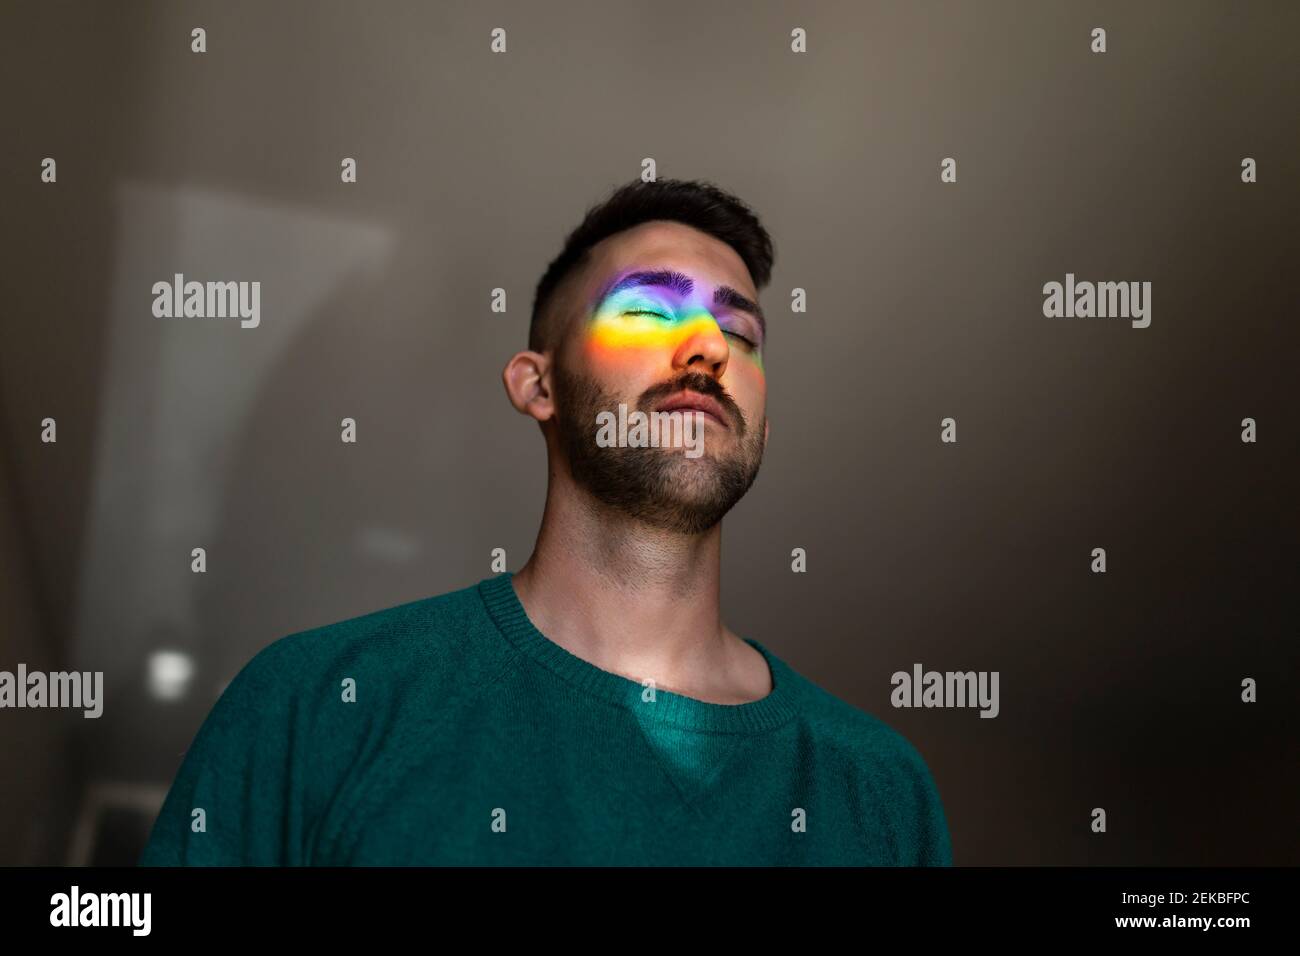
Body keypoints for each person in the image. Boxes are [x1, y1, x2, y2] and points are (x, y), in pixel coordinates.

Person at [138, 178, 953, 866]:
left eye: (739, 331)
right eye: (644, 312)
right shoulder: (316, 702)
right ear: (538, 386)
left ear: (762, 429)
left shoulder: (881, 792)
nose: (706, 345)